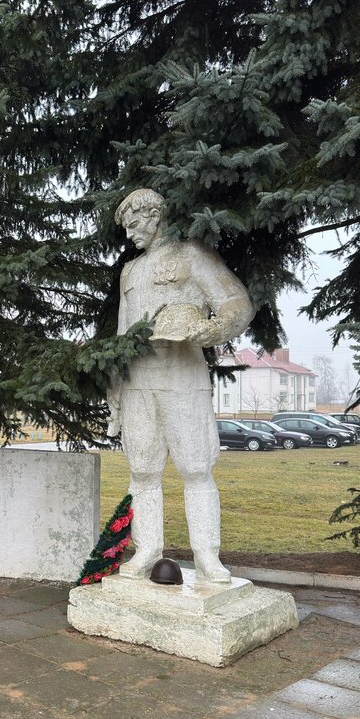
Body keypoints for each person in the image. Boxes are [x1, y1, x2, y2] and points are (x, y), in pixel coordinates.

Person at [107, 188, 255, 583]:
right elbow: (122, 333)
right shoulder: (130, 271)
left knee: (196, 468)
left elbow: (236, 302)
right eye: (126, 228)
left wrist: (212, 330)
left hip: (182, 378)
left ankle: (207, 557)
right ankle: (146, 551)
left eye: (134, 224)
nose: (129, 234)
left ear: (154, 215)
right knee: (142, 470)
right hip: (138, 381)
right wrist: (115, 387)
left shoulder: (192, 254)